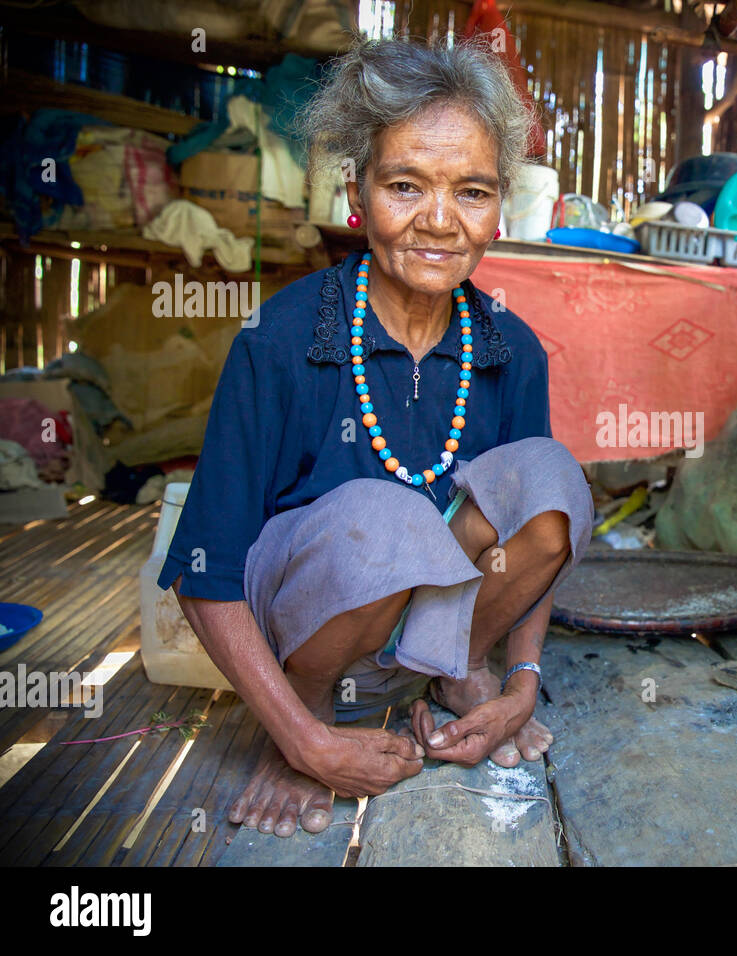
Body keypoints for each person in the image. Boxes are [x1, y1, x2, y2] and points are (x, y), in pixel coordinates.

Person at [158, 37, 593, 839]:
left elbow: (536, 531)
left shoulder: (511, 348)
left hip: (444, 615)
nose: (439, 220)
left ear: (500, 206)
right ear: (356, 193)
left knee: (551, 477)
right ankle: (316, 704)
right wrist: (302, 740)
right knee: (383, 515)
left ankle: (463, 668)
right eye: (404, 185)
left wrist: (522, 682)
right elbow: (201, 572)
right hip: (307, 623)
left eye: (472, 191)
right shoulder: (281, 341)